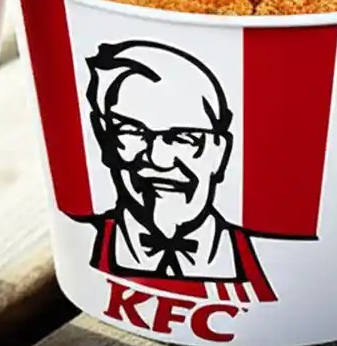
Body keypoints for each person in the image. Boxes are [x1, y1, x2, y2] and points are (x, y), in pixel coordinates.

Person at [77, 41, 274, 300]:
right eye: (133, 132)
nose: (159, 160)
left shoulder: (274, 256)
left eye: (185, 137)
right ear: (104, 139)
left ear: (219, 151)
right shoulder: (79, 243)